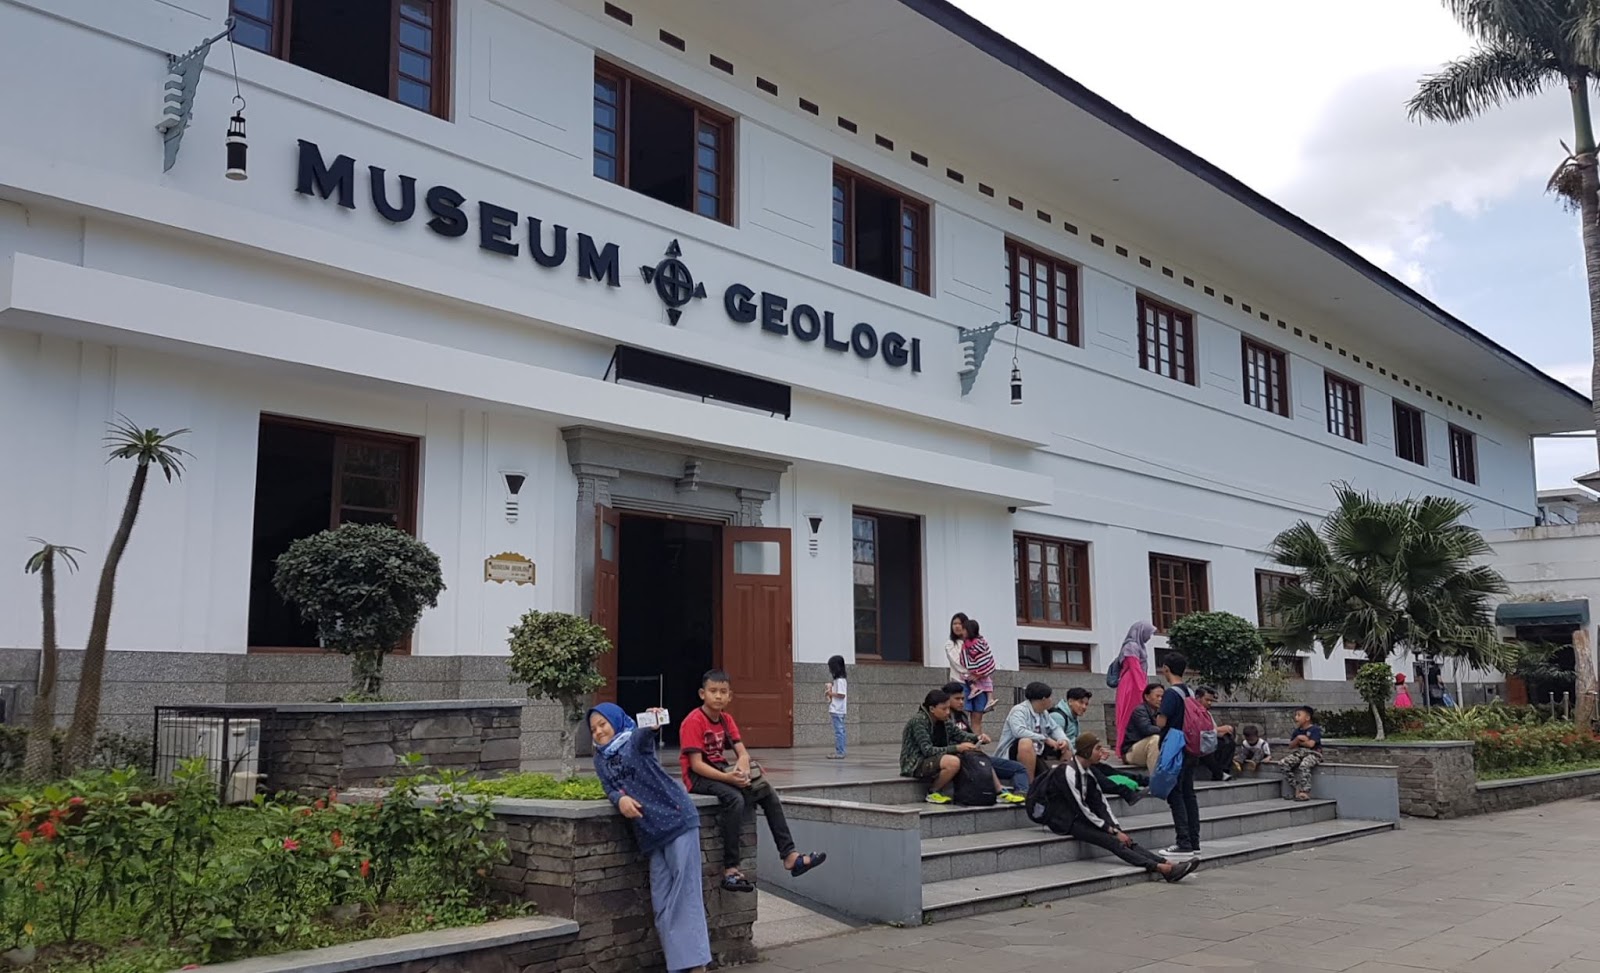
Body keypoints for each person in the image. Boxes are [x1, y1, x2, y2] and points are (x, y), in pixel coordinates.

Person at [589, 704, 710, 973]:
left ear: (616, 721)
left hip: (677, 819)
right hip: (650, 832)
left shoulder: (633, 740)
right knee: (662, 901)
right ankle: (680, 964)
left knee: (685, 895)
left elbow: (646, 736)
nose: (598, 731)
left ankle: (696, 966)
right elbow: (609, 788)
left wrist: (652, 721)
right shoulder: (600, 759)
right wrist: (620, 800)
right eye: (594, 728)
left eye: (603, 724)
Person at [680, 669, 826, 892]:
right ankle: (730, 869)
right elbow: (696, 765)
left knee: (766, 790)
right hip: (697, 777)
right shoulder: (694, 721)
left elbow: (743, 753)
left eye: (723, 692)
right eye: (713, 691)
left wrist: (743, 767)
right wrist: (729, 778)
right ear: (702, 694)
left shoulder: (727, 720)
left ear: (730, 696)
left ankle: (789, 855)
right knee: (735, 799)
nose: (718, 696)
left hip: (720, 770)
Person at [1032, 733, 1197, 883]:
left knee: (1124, 839)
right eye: (1097, 749)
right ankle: (1163, 870)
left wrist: (1116, 828)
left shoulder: (1088, 772)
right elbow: (1081, 809)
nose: (1101, 752)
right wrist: (1111, 831)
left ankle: (1166, 863)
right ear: (1087, 751)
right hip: (1061, 818)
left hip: (1075, 814)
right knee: (1111, 841)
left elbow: (1100, 803)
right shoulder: (1067, 772)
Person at [900, 687, 1025, 804]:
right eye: (944, 709)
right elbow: (927, 750)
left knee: (976, 753)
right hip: (915, 762)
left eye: (948, 708)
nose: (947, 712)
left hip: (936, 757)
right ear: (932, 709)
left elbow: (959, 734)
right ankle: (933, 791)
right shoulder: (919, 722)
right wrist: (957, 748)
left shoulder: (944, 720)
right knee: (953, 762)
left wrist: (978, 737)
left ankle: (999, 791)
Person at [944, 681, 1031, 794]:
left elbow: (969, 736)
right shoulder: (942, 719)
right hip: (958, 759)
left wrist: (979, 738)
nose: (961, 702)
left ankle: (1023, 793)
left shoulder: (962, 716)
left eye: (962, 699)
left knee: (1019, 768)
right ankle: (1000, 790)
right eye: (957, 699)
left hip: (973, 755)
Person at [1156, 653, 1201, 859]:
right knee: (1188, 793)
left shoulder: (1171, 694)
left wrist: (1158, 715)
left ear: (1166, 669)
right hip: (1191, 745)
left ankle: (1183, 841)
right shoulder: (1189, 691)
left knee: (1175, 793)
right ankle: (1194, 840)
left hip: (1175, 745)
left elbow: (1162, 722)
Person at [994, 681, 1070, 785]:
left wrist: (1063, 740)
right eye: (1049, 697)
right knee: (1026, 743)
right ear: (1043, 699)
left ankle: (1062, 782)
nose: (1051, 700)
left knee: (1066, 748)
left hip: (1039, 749)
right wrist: (1045, 739)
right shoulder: (1019, 710)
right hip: (1016, 750)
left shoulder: (1044, 712)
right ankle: (1029, 785)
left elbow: (1055, 728)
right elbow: (1019, 732)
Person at [1113, 622, 1156, 755]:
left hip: (1135, 683)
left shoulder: (1138, 646)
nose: (1149, 637)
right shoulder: (1131, 646)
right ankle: (1123, 748)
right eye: (1148, 633)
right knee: (1129, 715)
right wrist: (1144, 689)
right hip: (1132, 685)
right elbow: (1135, 668)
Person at [961, 618, 997, 738]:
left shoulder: (971, 644)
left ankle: (976, 744)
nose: (961, 630)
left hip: (977, 680)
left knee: (977, 718)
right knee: (963, 718)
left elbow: (985, 659)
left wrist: (979, 672)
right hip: (966, 682)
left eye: (964, 628)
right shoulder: (969, 643)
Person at [1193, 686, 1237, 782]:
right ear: (1198, 698)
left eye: (1211, 700)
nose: (1209, 703)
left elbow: (1213, 731)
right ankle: (1219, 773)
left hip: (1209, 739)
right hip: (1197, 742)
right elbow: (1201, 731)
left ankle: (1223, 770)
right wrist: (1219, 729)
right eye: (1207, 700)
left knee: (1228, 741)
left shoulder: (1207, 714)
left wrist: (1224, 731)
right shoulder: (1192, 712)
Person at [1281, 705, 1324, 802]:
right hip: (1300, 753)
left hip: (1314, 753)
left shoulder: (1315, 730)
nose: (1296, 717)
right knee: (1284, 763)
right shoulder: (1297, 731)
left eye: (1299, 715)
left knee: (1304, 765)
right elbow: (1291, 745)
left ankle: (1305, 792)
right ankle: (1297, 787)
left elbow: (1311, 744)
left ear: (1307, 718)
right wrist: (1298, 738)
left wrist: (1302, 741)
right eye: (1296, 715)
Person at [1122, 683, 1164, 773]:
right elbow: (1147, 729)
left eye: (1162, 697)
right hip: (1132, 750)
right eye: (1157, 696)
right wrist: (1167, 729)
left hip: (1149, 750)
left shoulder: (1161, 711)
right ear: (1147, 697)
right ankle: (1156, 779)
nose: (1160, 699)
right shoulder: (1140, 710)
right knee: (1156, 739)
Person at [825, 655, 848, 759]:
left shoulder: (840, 681)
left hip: (838, 709)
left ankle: (840, 751)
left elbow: (841, 695)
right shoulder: (838, 681)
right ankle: (840, 750)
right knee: (840, 730)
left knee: (839, 731)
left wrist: (830, 693)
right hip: (838, 709)